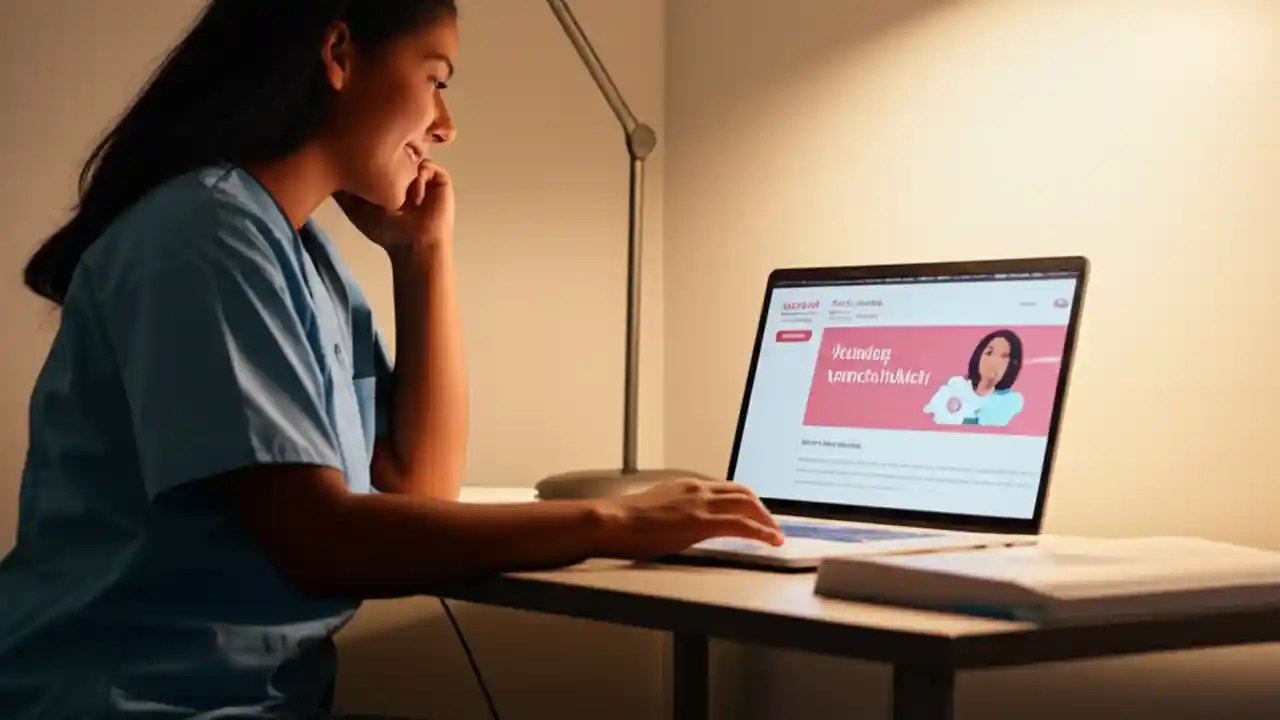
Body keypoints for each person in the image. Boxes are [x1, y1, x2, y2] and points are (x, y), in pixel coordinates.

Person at [0, 2, 782, 717]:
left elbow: (421, 486)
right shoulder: (205, 233)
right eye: (435, 80)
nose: (445, 125)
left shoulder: (299, 252)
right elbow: (321, 540)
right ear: (338, 52)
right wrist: (610, 522)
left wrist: (424, 258)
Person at [922, 329, 1025, 427]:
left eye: (1004, 357)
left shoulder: (1011, 401)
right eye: (989, 353)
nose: (994, 361)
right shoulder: (956, 386)